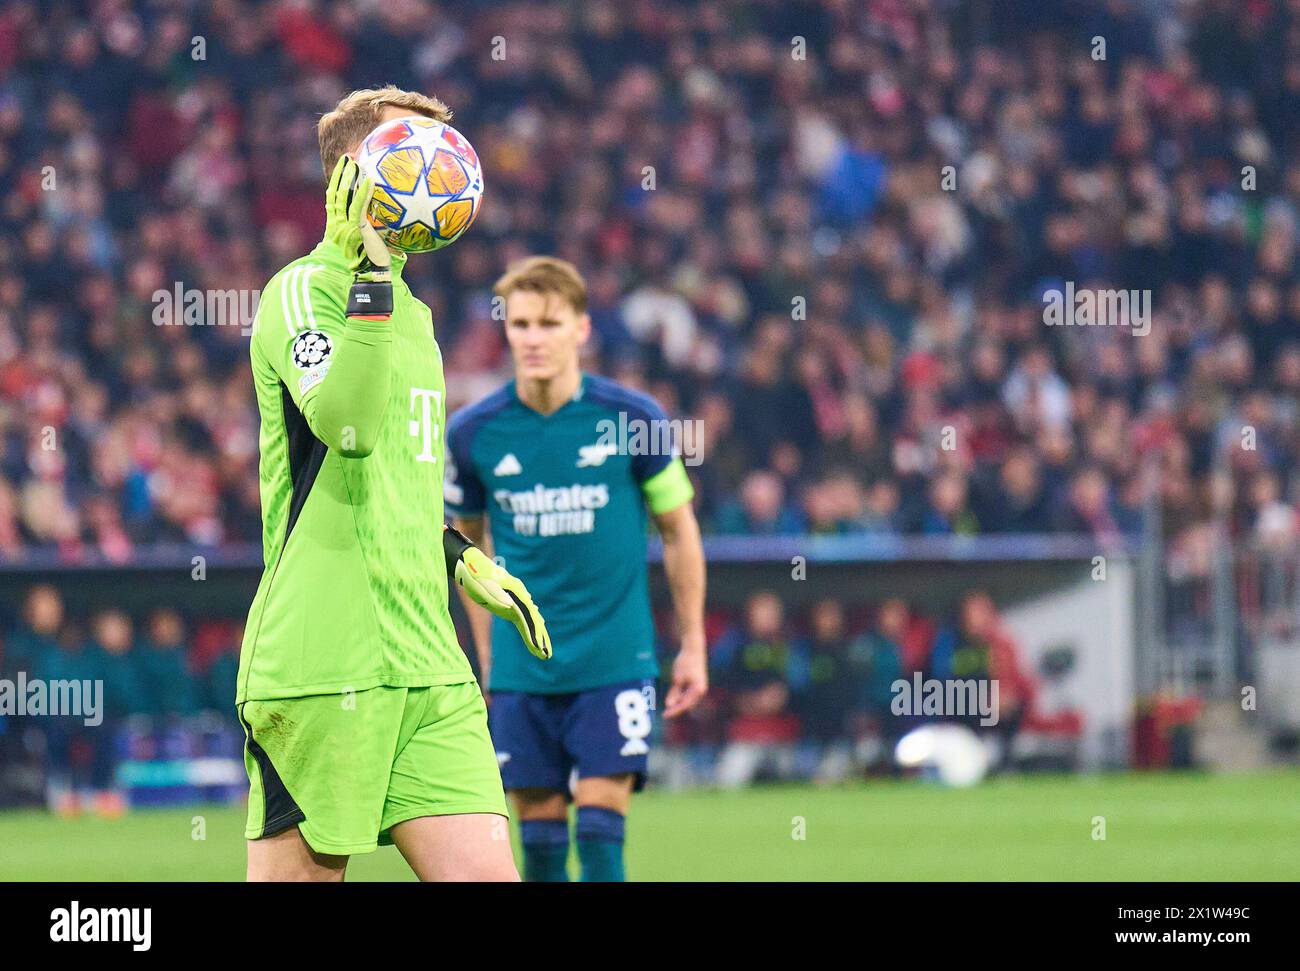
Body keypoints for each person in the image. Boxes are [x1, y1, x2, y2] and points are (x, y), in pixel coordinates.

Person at [236, 86, 549, 882]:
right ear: (351, 174)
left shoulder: (412, 314)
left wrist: (458, 553)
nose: (435, 173)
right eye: (411, 154)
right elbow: (348, 426)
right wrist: (369, 275)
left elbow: (395, 477)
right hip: (322, 663)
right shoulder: (301, 292)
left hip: (430, 666)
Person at [446, 256, 708, 881]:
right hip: (520, 665)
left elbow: (679, 529)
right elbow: (464, 552)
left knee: (597, 829)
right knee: (536, 841)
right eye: (521, 324)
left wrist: (693, 644)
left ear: (581, 329)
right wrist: (488, 656)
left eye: (548, 323)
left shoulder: (634, 419)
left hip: (612, 659)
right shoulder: (471, 433)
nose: (533, 338)